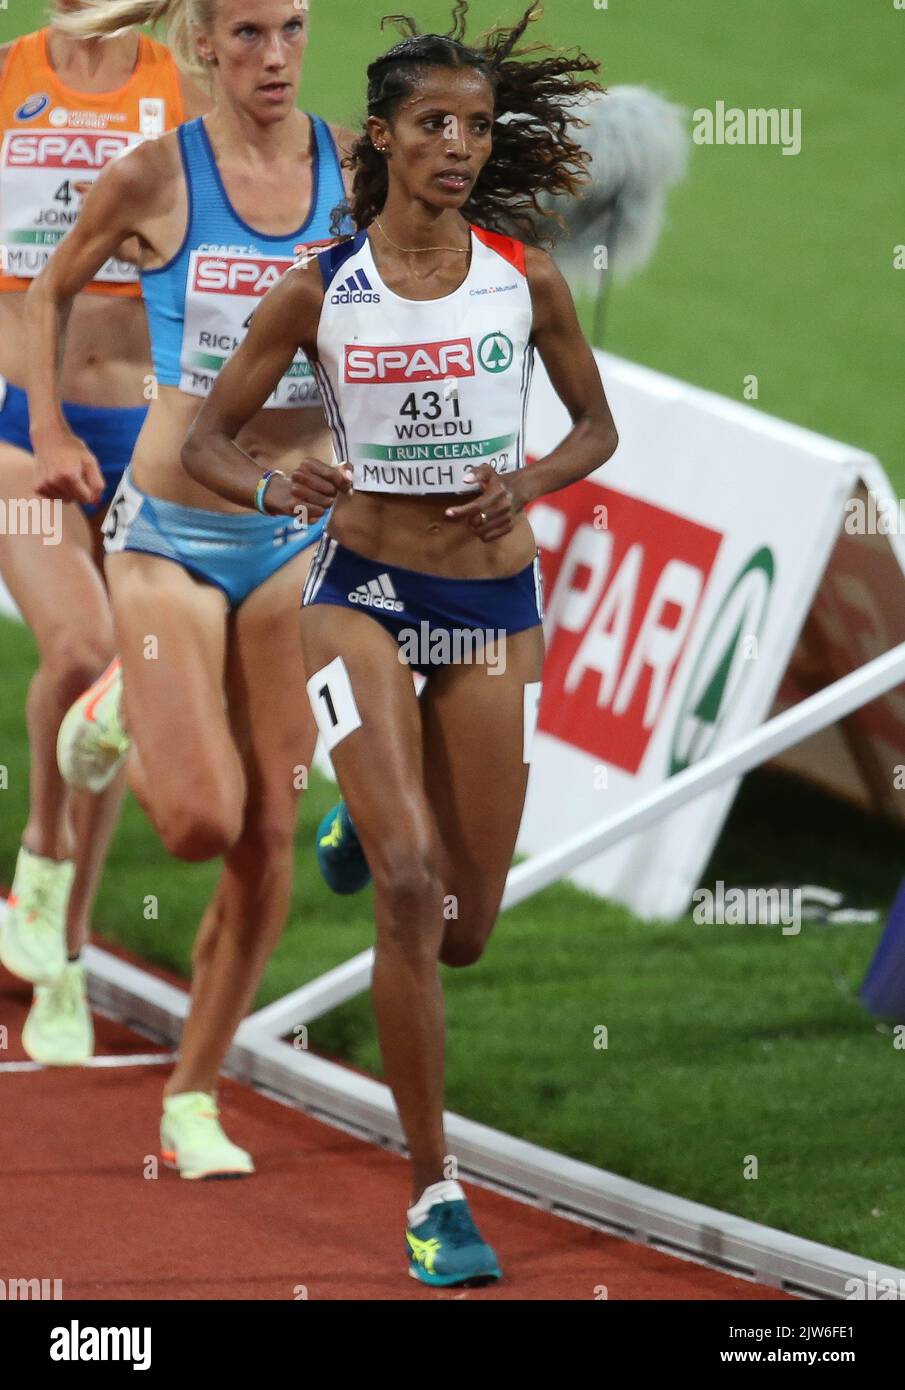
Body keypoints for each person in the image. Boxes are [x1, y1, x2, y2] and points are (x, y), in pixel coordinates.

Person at [181, 4, 618, 1283]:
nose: (460, 147)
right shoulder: (320, 288)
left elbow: (596, 430)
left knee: (467, 925)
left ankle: (360, 817)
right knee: (410, 882)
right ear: (379, 137)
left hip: (490, 611)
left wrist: (528, 480)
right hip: (358, 591)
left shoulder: (520, 275)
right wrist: (272, 491)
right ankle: (434, 1193)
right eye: (434, 125)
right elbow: (212, 435)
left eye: (476, 128)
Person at [27, 0, 357, 1177]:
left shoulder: (354, 174)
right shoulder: (154, 176)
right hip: (168, 530)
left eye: (295, 31)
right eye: (251, 34)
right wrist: (54, 425)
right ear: (206, 46)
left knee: (269, 829)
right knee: (199, 822)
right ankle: (110, 704)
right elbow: (46, 288)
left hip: (291, 537)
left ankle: (192, 1094)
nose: (275, 58)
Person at [0, 0, 207, 1064]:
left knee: (117, 687)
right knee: (80, 649)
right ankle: (39, 859)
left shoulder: (179, 85)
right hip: (12, 419)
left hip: (144, 424)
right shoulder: (8, 76)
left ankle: (65, 947)